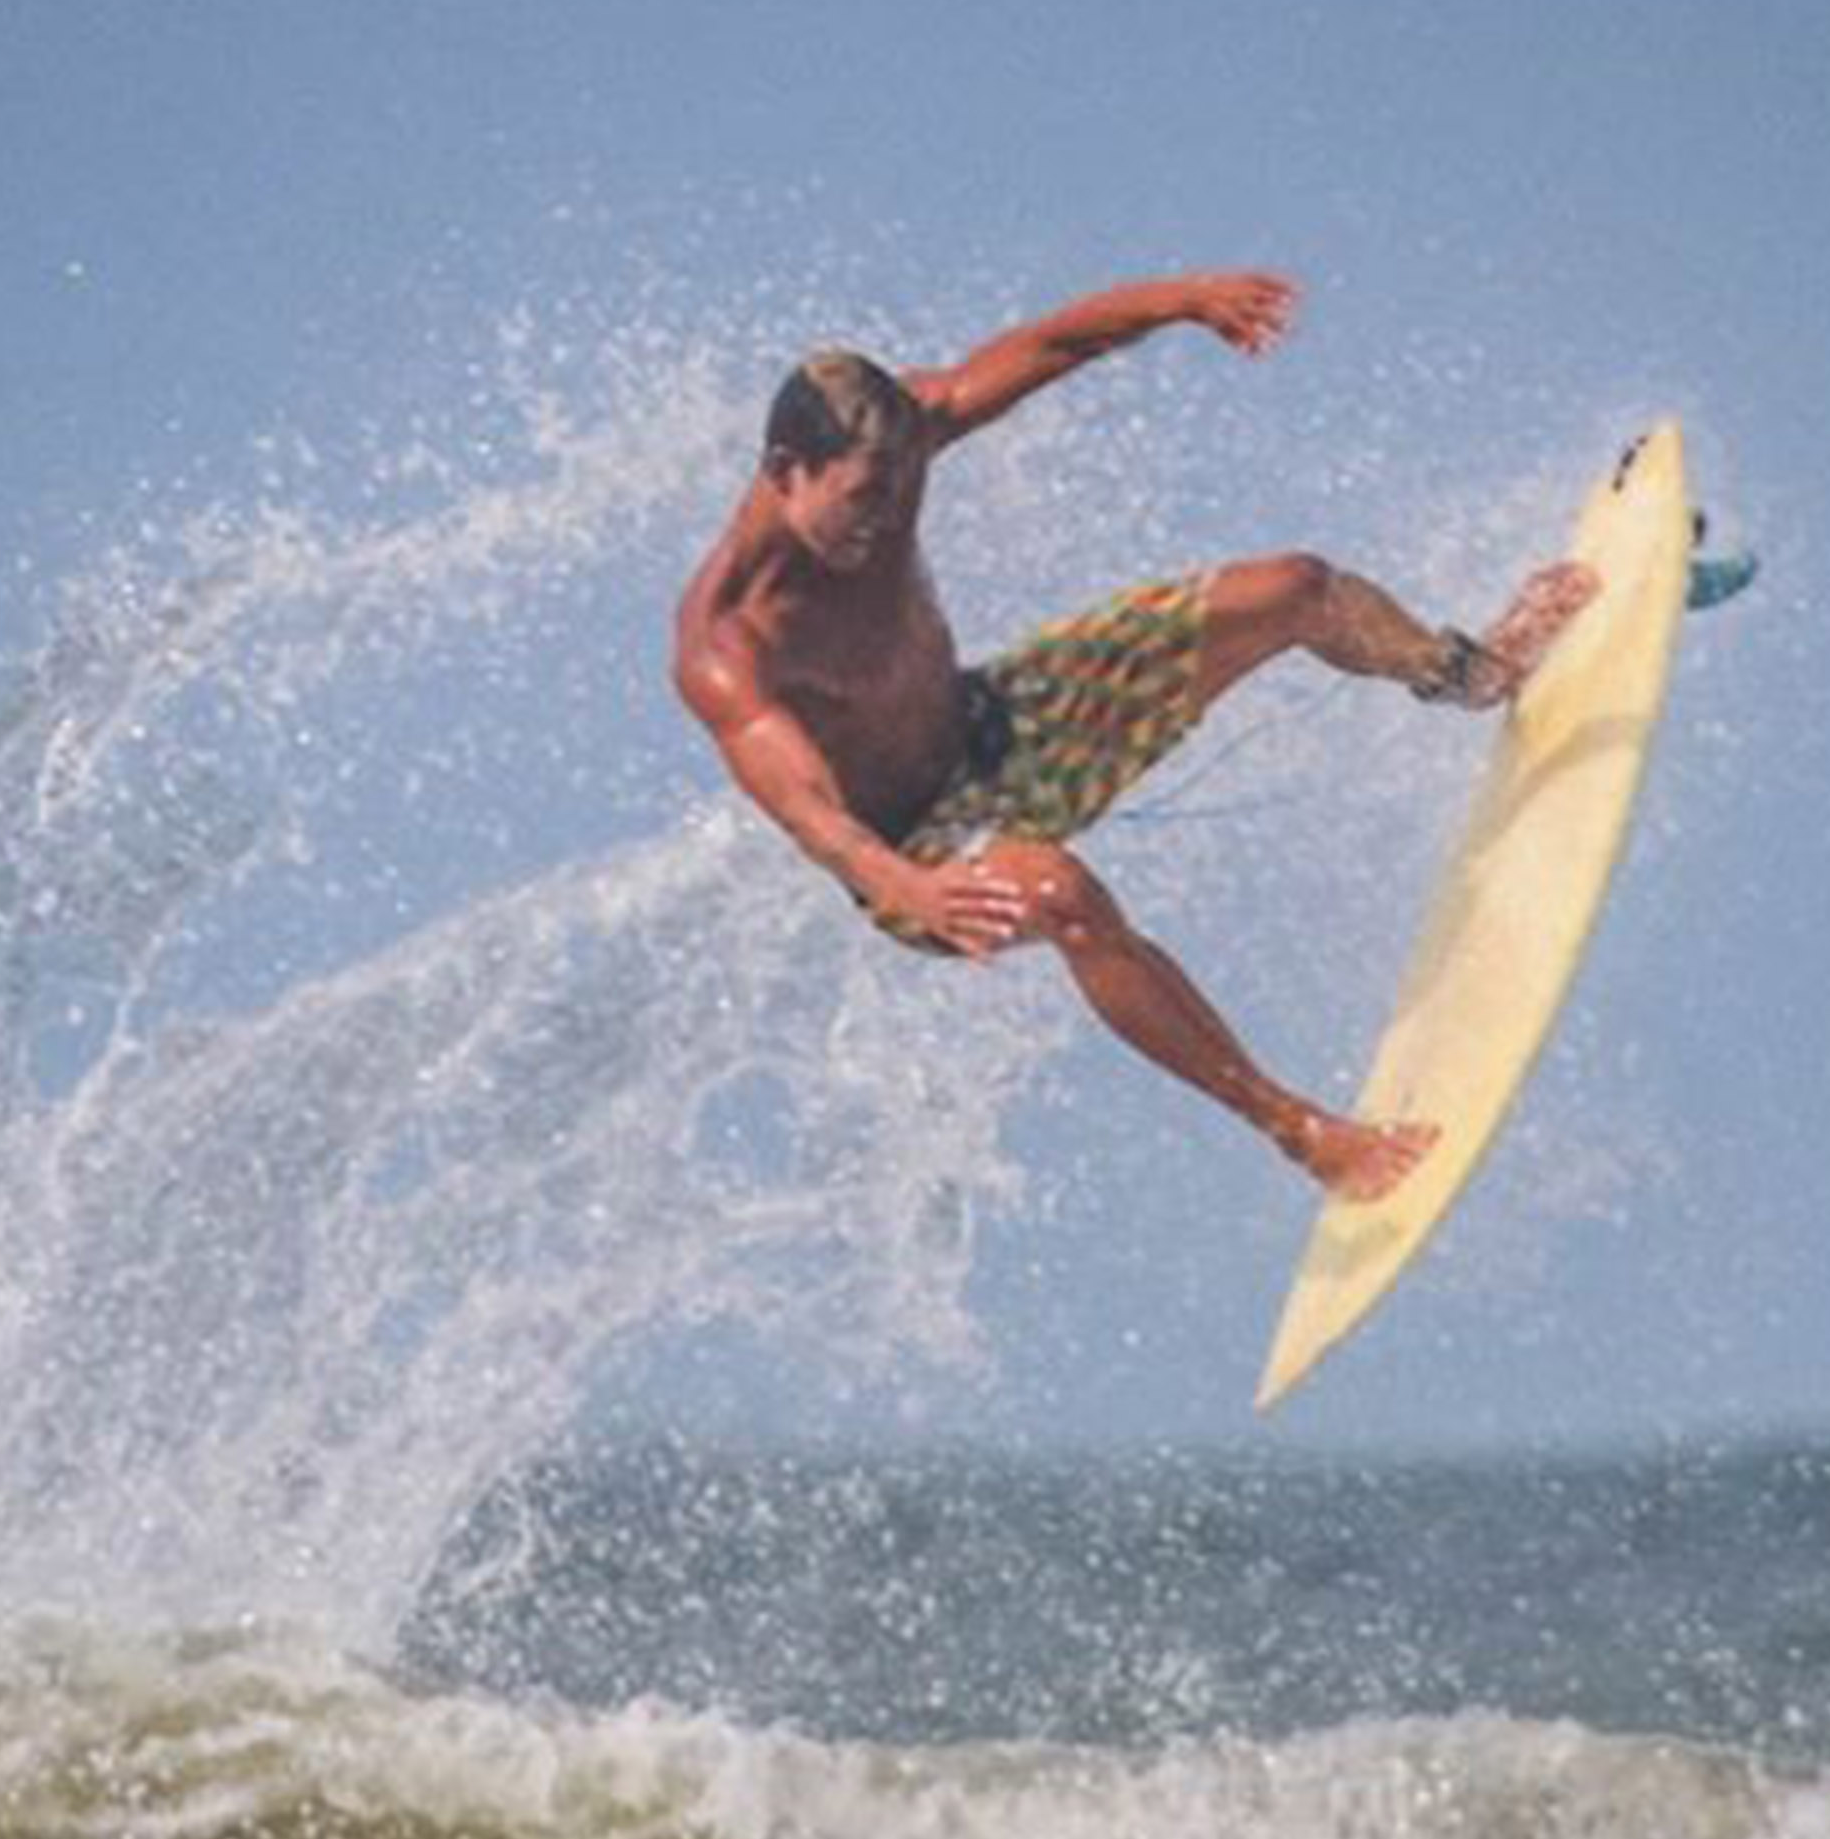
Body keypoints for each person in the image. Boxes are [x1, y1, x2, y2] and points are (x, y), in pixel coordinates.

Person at [672, 271, 1600, 1201]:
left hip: (999, 718)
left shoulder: (898, 438)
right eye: (859, 499)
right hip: (915, 851)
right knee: (1057, 889)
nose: (880, 523)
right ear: (783, 468)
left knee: (1294, 588)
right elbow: (816, 821)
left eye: (892, 494)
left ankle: (1475, 674)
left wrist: (1180, 300)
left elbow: (1046, 347)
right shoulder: (727, 646)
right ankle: (1302, 1132)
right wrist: (909, 885)